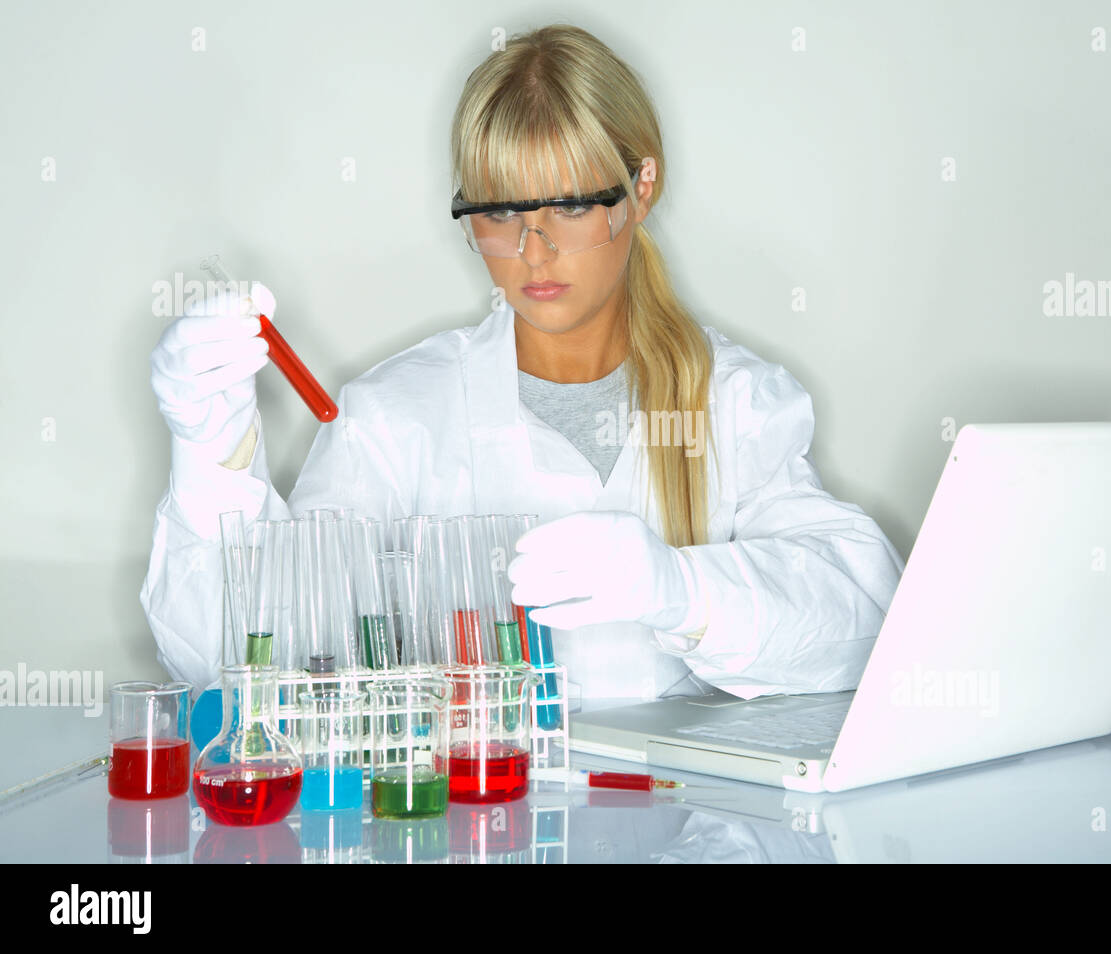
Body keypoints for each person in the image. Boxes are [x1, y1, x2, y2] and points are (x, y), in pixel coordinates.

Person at [141, 23, 904, 700]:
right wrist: (212, 459)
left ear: (641, 189)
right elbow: (239, 661)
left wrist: (681, 589)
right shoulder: (393, 416)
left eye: (569, 205)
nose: (532, 249)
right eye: (500, 212)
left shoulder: (734, 401)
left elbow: (864, 616)